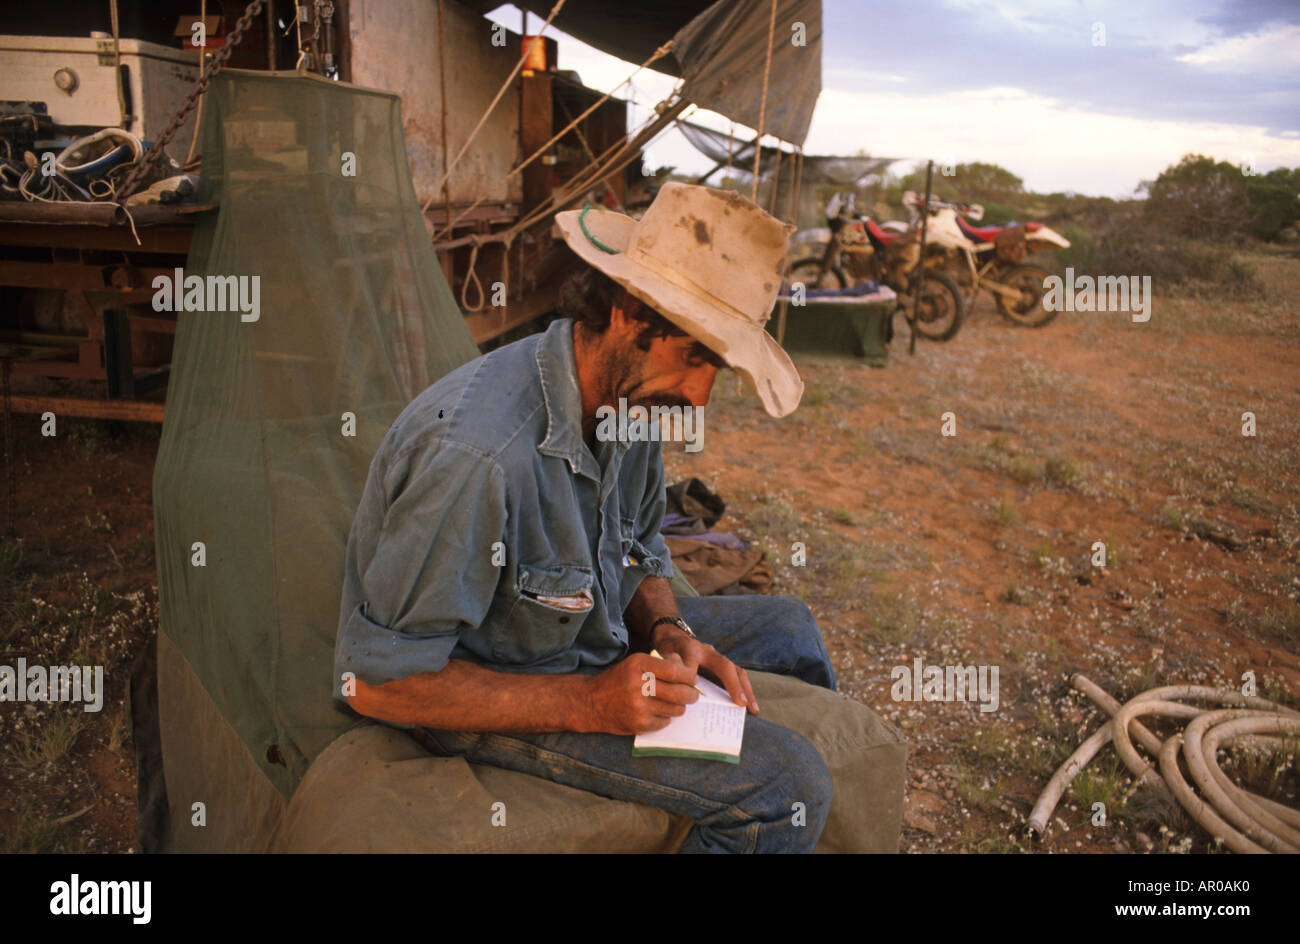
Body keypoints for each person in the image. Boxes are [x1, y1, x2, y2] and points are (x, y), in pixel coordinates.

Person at [334, 182, 837, 853]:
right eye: (696, 358)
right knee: (790, 784)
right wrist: (591, 703)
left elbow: (633, 548)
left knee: (791, 631)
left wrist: (668, 628)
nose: (701, 396)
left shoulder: (629, 398)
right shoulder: (477, 459)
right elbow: (375, 683)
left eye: (718, 368)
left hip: (580, 634)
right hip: (495, 686)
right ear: (631, 315)